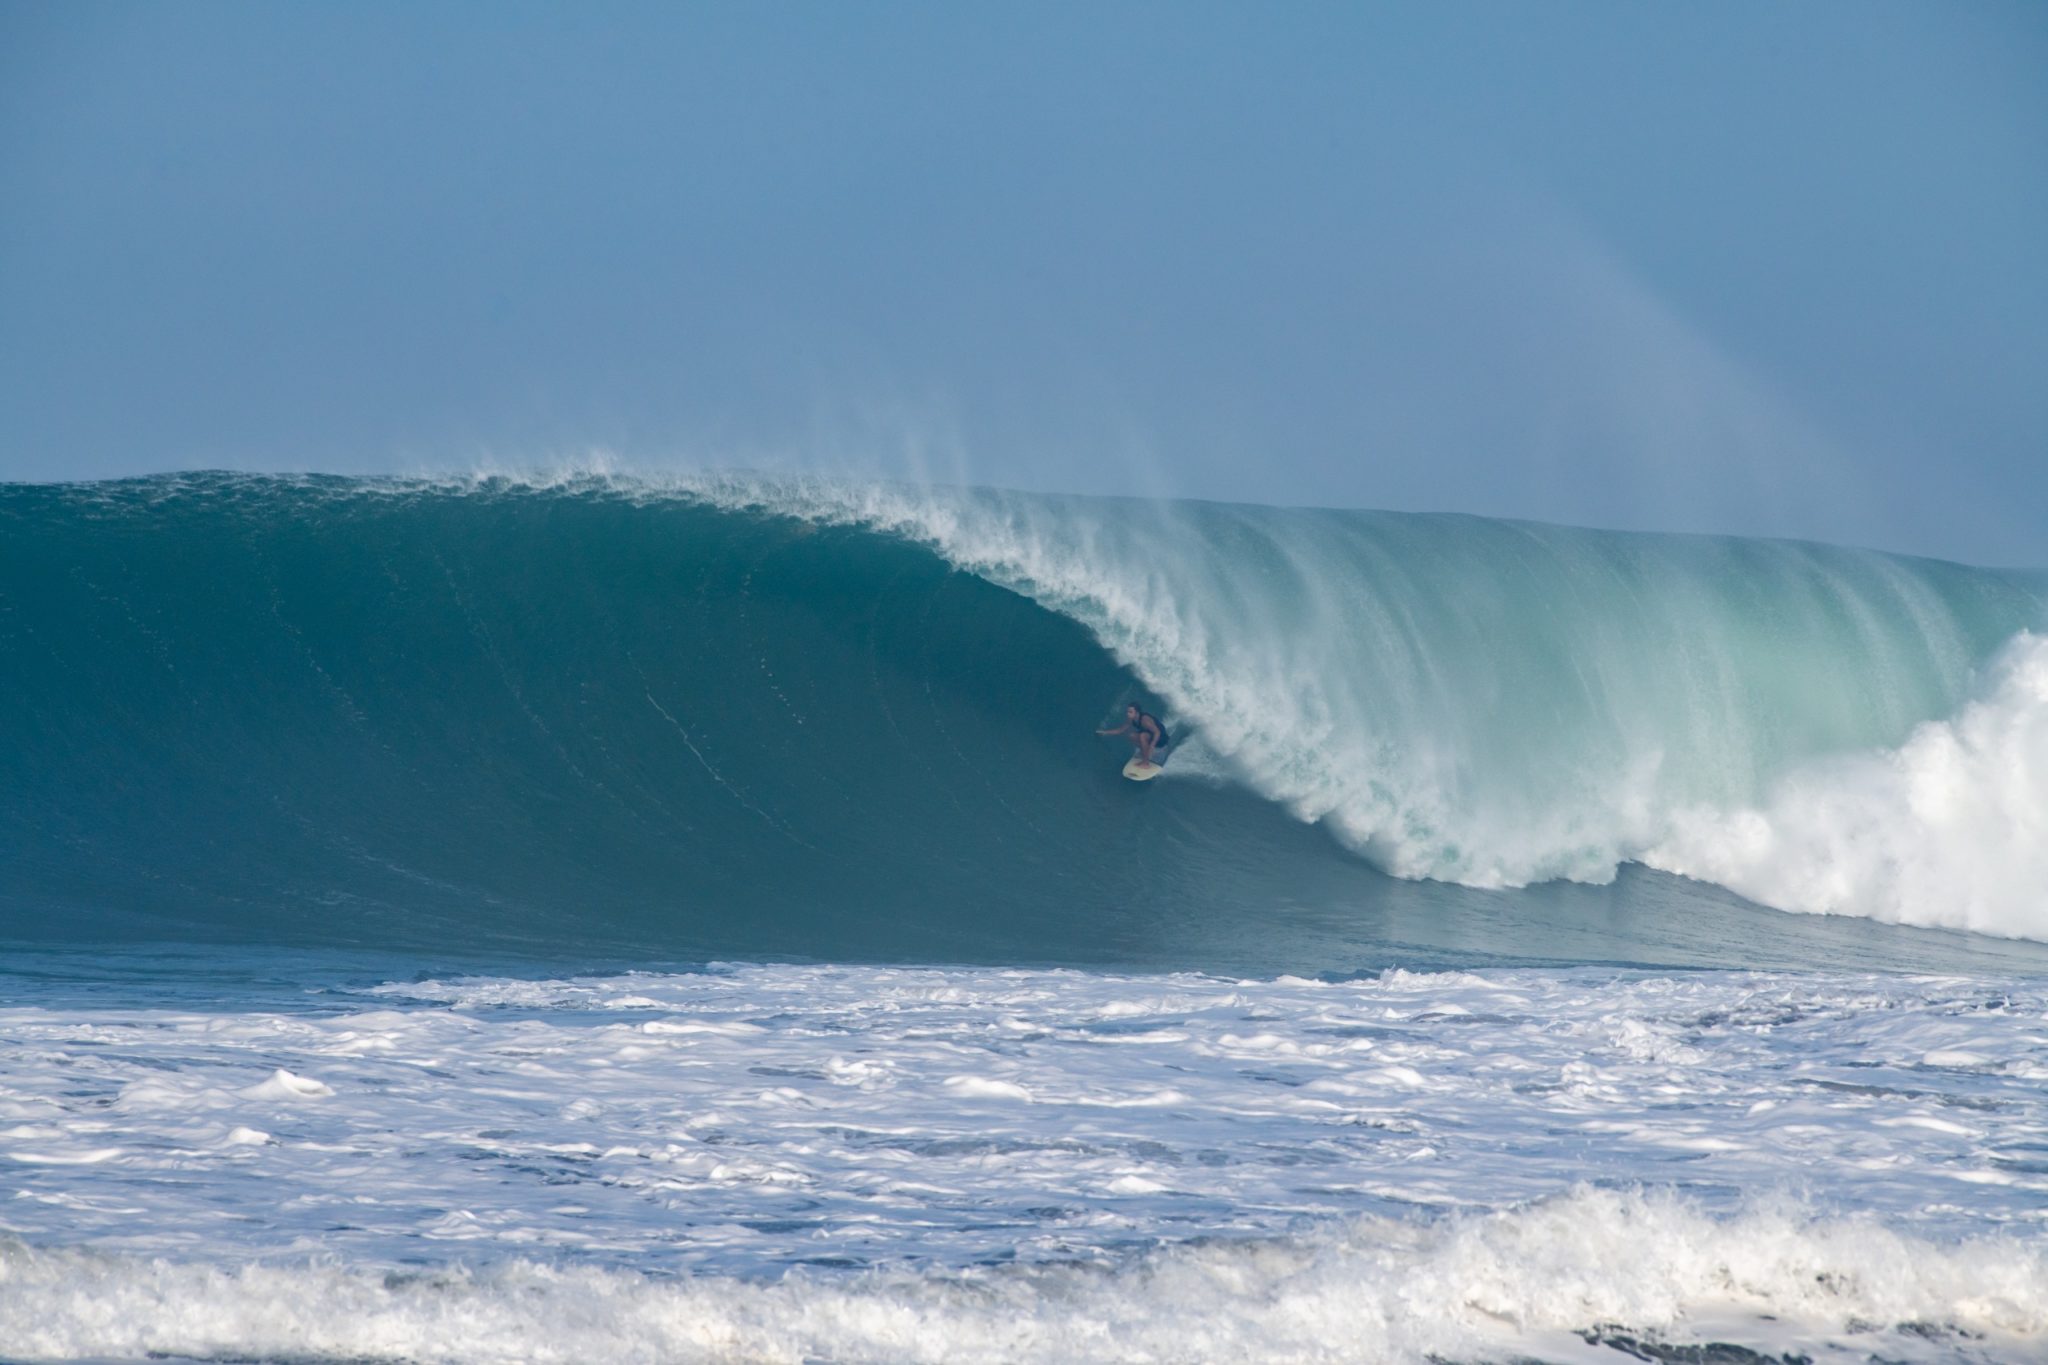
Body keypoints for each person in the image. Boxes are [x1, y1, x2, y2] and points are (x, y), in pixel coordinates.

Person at [1098, 704, 1170, 766]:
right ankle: (1146, 753)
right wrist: (1105, 732)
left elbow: (1157, 732)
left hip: (1161, 738)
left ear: (1137, 712)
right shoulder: (1132, 719)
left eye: (1130, 712)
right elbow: (1120, 730)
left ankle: (1145, 762)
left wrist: (1152, 745)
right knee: (1132, 736)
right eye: (1127, 712)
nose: (1128, 714)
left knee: (1143, 736)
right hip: (1150, 735)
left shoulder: (1145, 720)